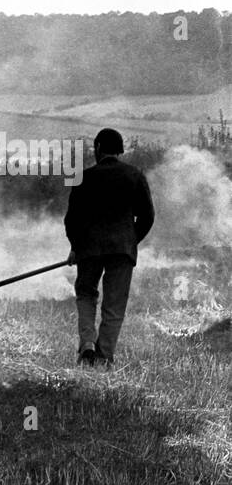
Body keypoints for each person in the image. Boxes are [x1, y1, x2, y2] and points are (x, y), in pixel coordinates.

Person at [64, 128, 155, 368]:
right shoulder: (134, 175)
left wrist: (76, 246)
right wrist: (130, 240)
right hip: (122, 251)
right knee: (114, 304)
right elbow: (147, 216)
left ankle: (87, 346)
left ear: (99, 149)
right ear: (119, 150)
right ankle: (104, 357)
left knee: (85, 294)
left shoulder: (83, 178)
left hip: (89, 249)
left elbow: (72, 220)